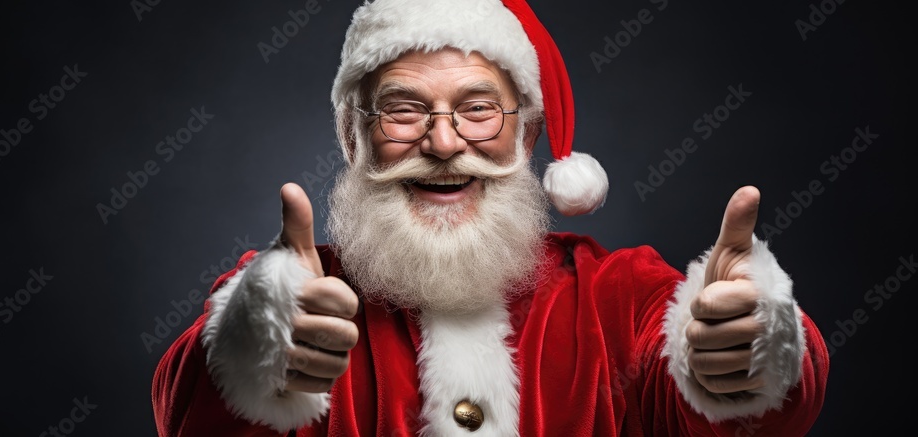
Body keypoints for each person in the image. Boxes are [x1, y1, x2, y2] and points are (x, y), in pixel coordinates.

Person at [151, 0, 829, 435]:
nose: (444, 144)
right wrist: (252, 351)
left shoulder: (618, 295)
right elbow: (186, 415)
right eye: (403, 110)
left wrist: (749, 347)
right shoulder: (296, 296)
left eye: (479, 109)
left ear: (527, 137)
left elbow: (743, 412)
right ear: (354, 139)